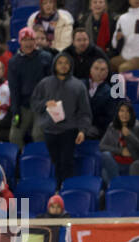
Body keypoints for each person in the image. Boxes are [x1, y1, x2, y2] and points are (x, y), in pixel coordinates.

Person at [32, 51, 96, 187]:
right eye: (60, 63)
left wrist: (82, 131)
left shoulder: (78, 86)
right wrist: (45, 104)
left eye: (66, 63)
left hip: (69, 131)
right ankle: (55, 192)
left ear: (71, 65)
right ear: (55, 65)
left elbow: (85, 112)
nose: (63, 66)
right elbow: (34, 104)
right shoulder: (44, 83)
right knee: (55, 163)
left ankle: (66, 191)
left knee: (67, 163)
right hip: (49, 130)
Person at [8, 29, 54, 146]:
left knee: (38, 134)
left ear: (35, 41)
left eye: (31, 40)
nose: (28, 43)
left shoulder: (46, 57)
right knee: (14, 135)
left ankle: (41, 161)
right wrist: (15, 112)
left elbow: (52, 83)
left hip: (42, 104)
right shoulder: (14, 62)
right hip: (24, 105)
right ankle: (21, 160)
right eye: (25, 40)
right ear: (20, 42)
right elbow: (14, 89)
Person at [101, 100, 139, 181]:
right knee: (105, 156)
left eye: (127, 111)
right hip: (116, 163)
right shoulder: (113, 126)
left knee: (105, 174)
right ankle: (117, 183)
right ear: (118, 113)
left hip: (132, 162)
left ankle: (115, 184)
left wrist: (129, 135)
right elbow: (102, 146)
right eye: (121, 111)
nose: (124, 114)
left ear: (132, 113)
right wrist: (120, 151)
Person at [85, 58, 116, 137]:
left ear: (106, 72)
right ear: (91, 70)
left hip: (96, 127)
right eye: (96, 68)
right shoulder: (80, 84)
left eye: (102, 70)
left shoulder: (110, 92)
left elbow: (109, 117)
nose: (99, 72)